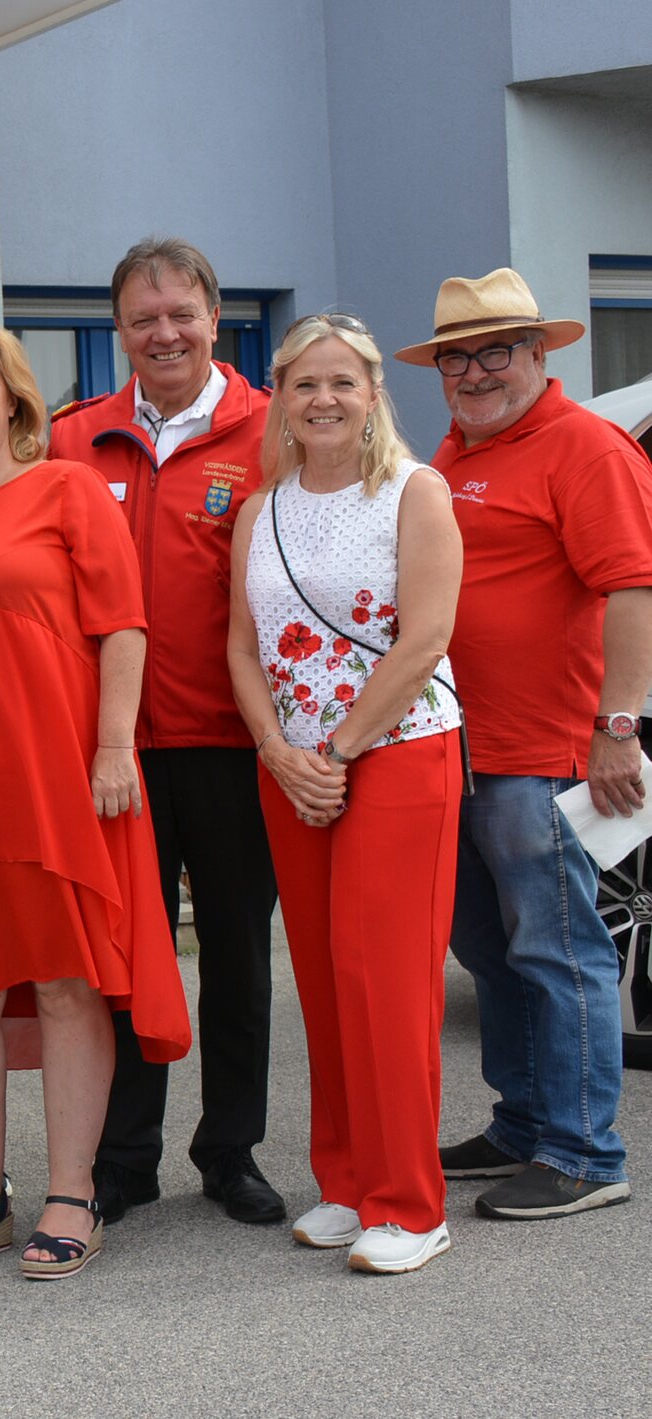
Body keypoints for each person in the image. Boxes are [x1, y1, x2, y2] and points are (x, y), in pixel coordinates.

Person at [0, 325, 190, 1281]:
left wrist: (111, 748)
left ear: (14, 398)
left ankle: (70, 1189)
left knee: (65, 976)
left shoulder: (67, 489)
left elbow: (121, 625)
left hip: (56, 773)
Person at [394, 267, 652, 1219]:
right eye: (456, 357)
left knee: (556, 947)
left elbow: (634, 587)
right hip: (457, 746)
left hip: (541, 750)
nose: (474, 371)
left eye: (496, 349)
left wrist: (616, 728)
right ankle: (525, 1121)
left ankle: (586, 1151)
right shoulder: (452, 455)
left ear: (542, 353)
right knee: (489, 948)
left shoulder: (586, 447)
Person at [48, 237, 284, 1226]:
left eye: (180, 313)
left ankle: (228, 1151)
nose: (163, 333)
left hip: (232, 743)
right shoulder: (71, 440)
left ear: (215, 316)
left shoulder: (270, 431)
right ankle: (123, 1157)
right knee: (122, 960)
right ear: (117, 331)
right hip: (112, 750)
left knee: (234, 952)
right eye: (142, 319)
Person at [228, 313, 465, 1273]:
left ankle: (412, 1204)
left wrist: (334, 749)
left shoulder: (416, 491)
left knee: (391, 983)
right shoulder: (260, 508)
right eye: (302, 383)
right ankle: (347, 1182)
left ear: (372, 394)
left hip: (397, 753)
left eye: (341, 382)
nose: (322, 399)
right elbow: (241, 648)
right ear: (279, 397)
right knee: (324, 982)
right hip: (294, 766)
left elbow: (426, 640)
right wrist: (280, 751)